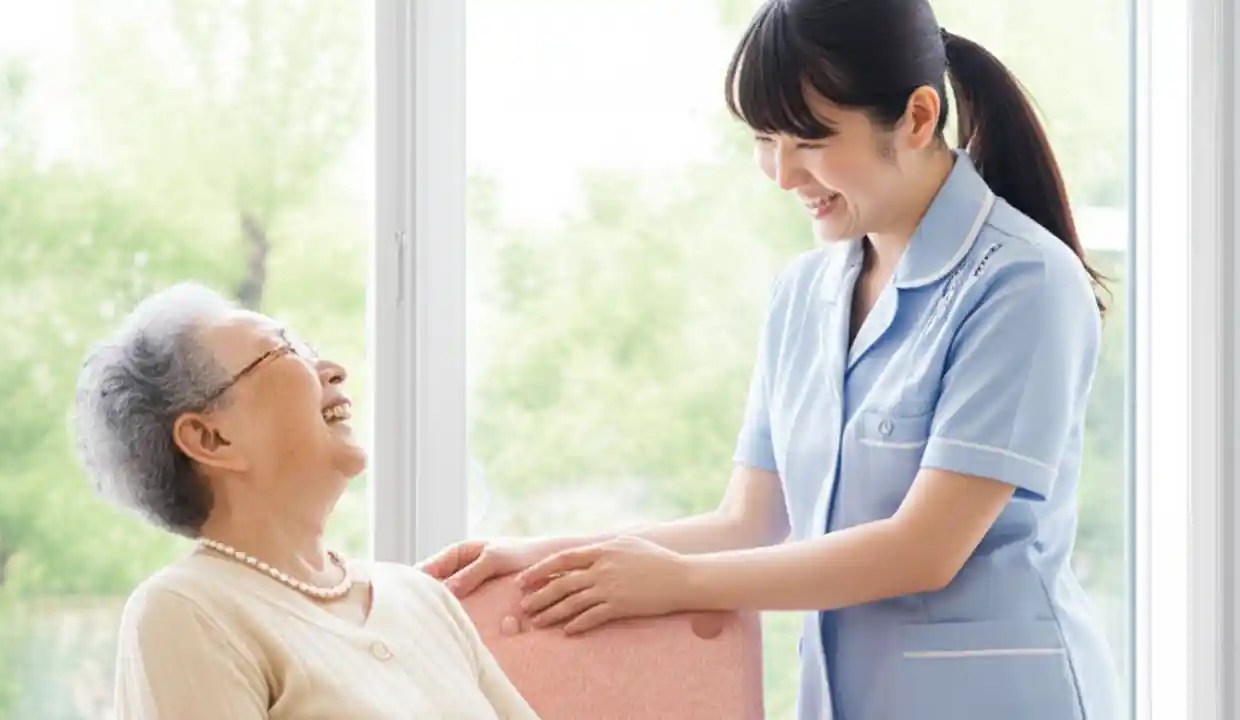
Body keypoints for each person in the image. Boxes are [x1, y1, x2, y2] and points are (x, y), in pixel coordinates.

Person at [422, 1, 1121, 718]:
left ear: (916, 118)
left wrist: (681, 584)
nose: (782, 173)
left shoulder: (1023, 283)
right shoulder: (804, 293)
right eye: (765, 139)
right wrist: (542, 556)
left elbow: (924, 549)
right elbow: (747, 520)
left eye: (810, 141)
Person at [74, 283, 537, 719]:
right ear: (211, 438)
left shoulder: (423, 599)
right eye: (285, 350)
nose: (333, 369)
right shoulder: (185, 610)